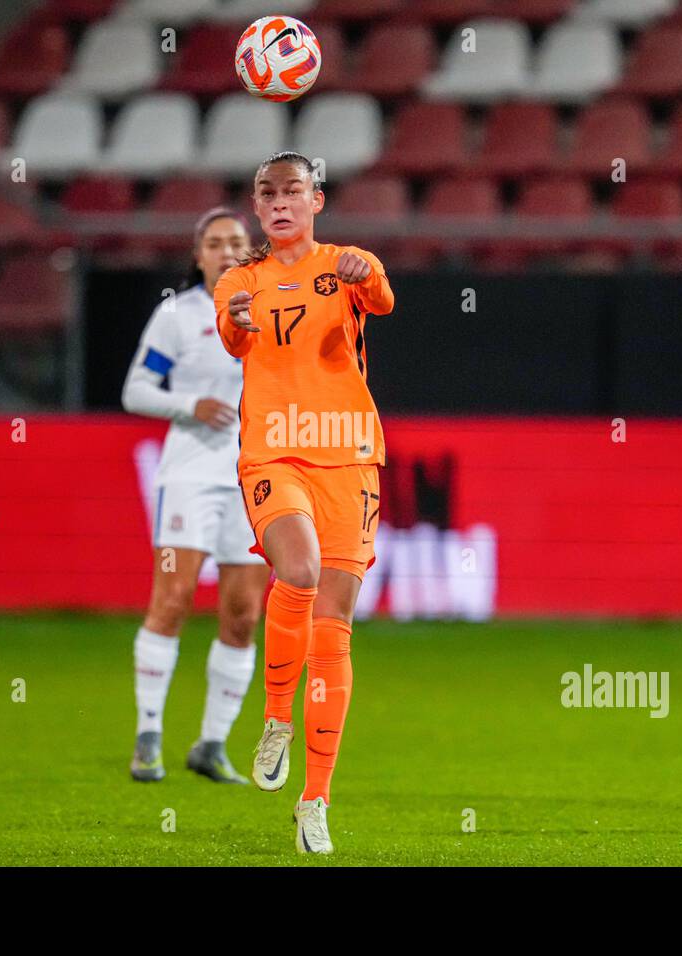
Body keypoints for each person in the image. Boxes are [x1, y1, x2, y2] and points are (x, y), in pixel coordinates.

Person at [214, 151, 395, 854]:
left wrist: (365, 274)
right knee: (299, 572)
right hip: (275, 451)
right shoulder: (242, 279)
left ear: (317, 199)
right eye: (267, 193)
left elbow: (381, 298)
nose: (280, 202)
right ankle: (276, 717)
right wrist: (232, 320)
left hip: (350, 456)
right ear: (257, 208)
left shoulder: (349, 263)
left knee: (335, 625)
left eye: (293, 191)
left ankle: (315, 798)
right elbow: (235, 339)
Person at [121, 207, 273, 784]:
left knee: (241, 614)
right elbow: (135, 389)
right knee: (175, 598)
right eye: (215, 243)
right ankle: (149, 734)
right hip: (187, 475)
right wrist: (191, 406)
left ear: (250, 250)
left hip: (256, 478)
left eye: (237, 241)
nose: (227, 250)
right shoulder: (177, 317)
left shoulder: (272, 311)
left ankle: (211, 744)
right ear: (199, 254)